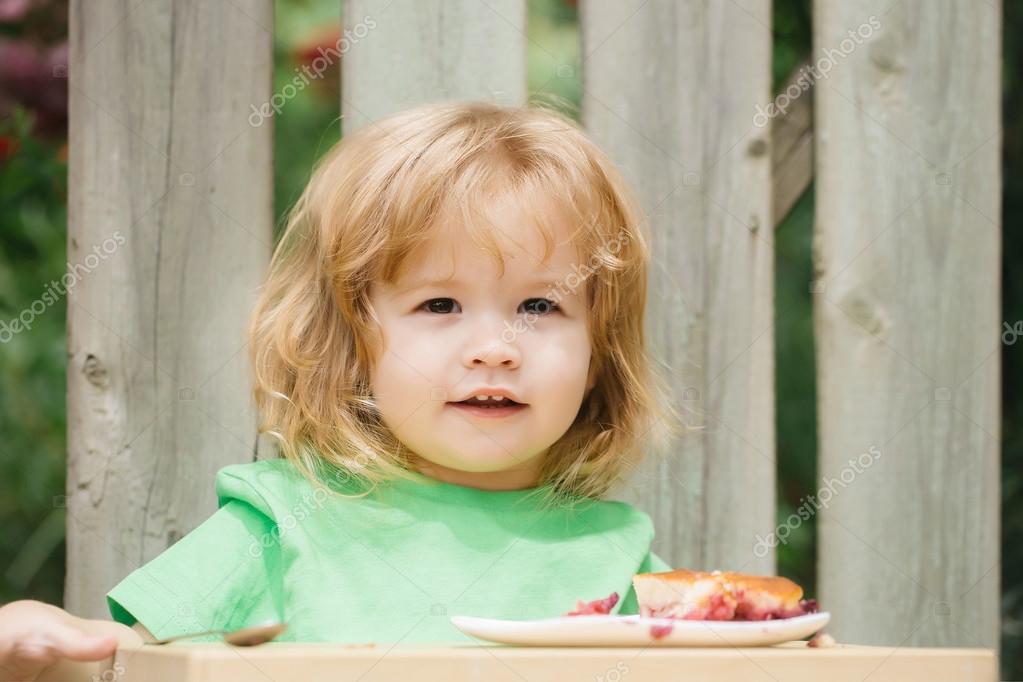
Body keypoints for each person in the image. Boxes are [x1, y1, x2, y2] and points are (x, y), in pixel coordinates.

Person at [0, 100, 684, 679]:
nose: (494, 349)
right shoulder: (283, 523)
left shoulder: (619, 556)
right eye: (439, 305)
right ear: (353, 344)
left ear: (600, 353)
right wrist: (46, 632)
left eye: (540, 307)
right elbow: (136, 659)